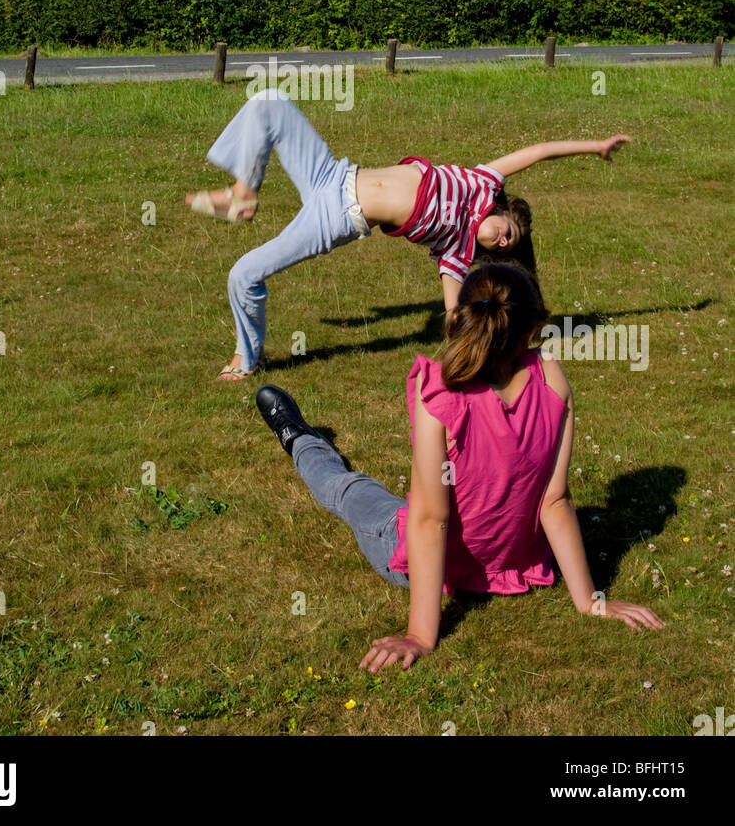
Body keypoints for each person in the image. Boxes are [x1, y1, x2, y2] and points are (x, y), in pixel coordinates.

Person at [255, 262, 665, 670]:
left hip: (416, 554)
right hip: (511, 566)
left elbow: (431, 519)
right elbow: (554, 501)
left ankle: (299, 438)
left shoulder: (439, 394)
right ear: (529, 330)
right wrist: (590, 601)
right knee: (387, 497)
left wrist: (420, 635)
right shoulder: (551, 375)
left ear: (459, 317)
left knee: (347, 490)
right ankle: (304, 438)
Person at [186, 87, 632, 380]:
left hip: (337, 217)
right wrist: (595, 147)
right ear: (501, 211)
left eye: (503, 246)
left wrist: (495, 351)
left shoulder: (455, 253)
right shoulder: (482, 180)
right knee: (269, 101)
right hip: (333, 174)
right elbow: (537, 151)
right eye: (507, 232)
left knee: (243, 274)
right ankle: (244, 195)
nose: (500, 239)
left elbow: (456, 317)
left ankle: (248, 358)